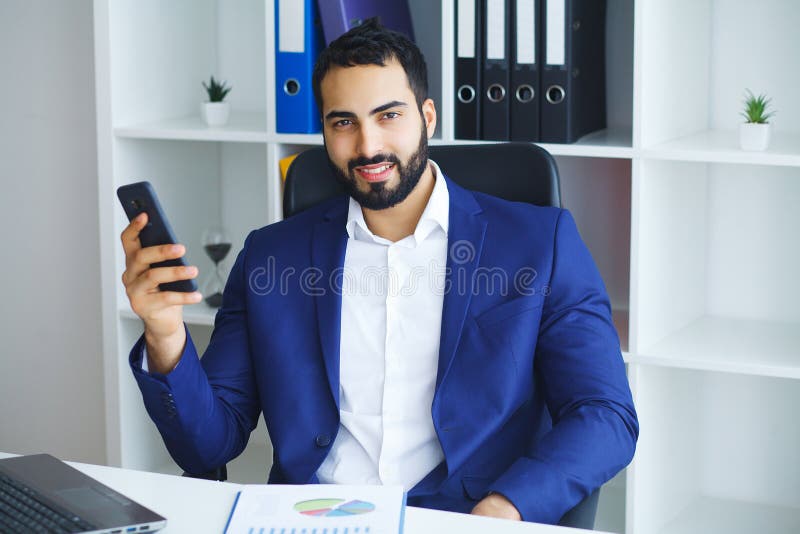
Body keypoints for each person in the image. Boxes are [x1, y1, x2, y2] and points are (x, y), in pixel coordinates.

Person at [120, 19, 638, 525]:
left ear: (427, 116)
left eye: (388, 115)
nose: (367, 147)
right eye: (343, 122)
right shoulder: (269, 259)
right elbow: (210, 444)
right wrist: (165, 334)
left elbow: (605, 416)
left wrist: (506, 508)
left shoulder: (539, 243)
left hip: (462, 518)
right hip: (311, 520)